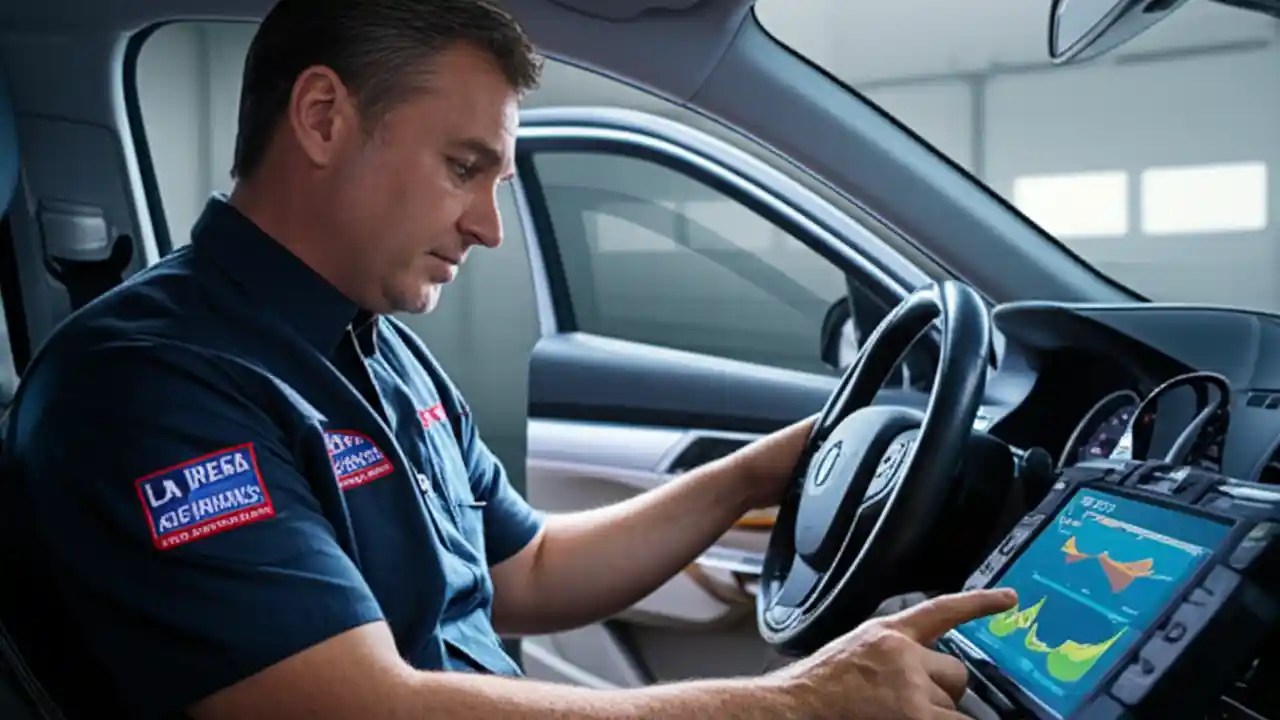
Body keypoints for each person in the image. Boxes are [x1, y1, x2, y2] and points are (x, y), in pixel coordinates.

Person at [0, 1, 1015, 718]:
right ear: (320, 118)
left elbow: (523, 568)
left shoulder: (378, 352)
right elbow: (357, 711)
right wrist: (789, 707)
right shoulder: (147, 385)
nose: (488, 227)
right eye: (462, 167)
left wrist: (760, 469)